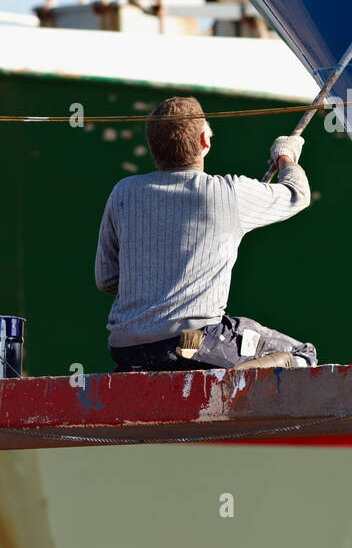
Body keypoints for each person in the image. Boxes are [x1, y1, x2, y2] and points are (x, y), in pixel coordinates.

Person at [95, 95, 318, 372]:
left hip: (126, 350)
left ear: (152, 146)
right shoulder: (227, 194)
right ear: (204, 141)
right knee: (301, 354)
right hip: (193, 343)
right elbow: (298, 194)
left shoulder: (123, 193)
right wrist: (285, 155)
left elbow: (106, 280)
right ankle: (233, 383)